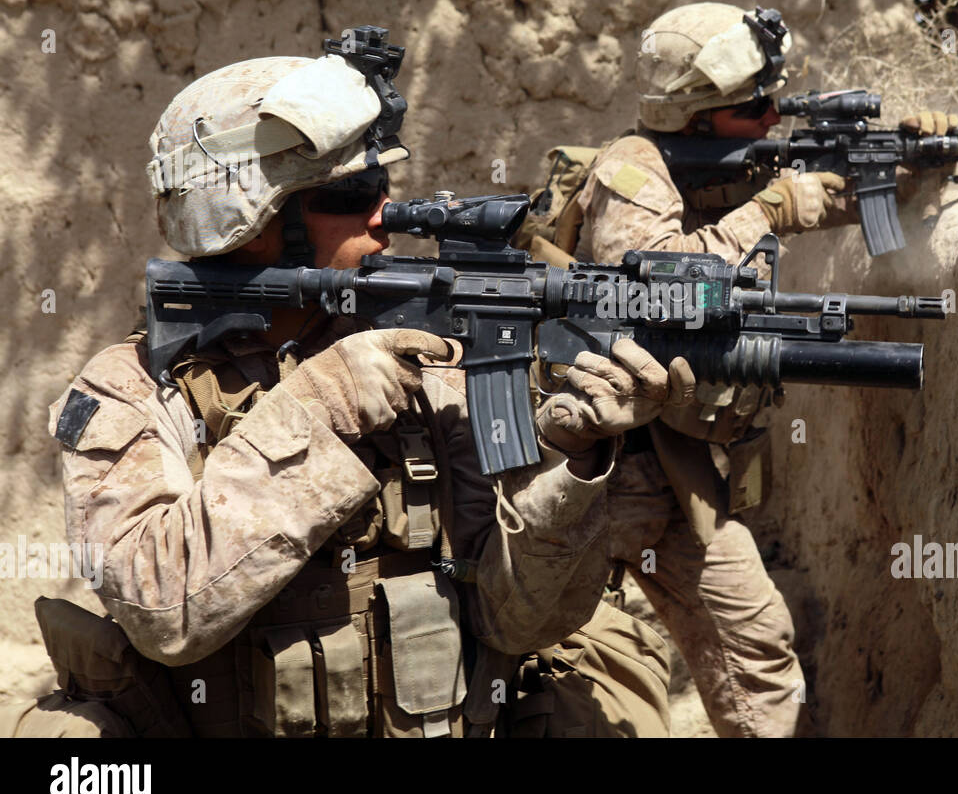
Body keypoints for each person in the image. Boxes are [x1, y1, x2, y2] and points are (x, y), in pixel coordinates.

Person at [13, 45, 691, 738]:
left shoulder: (422, 361)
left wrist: (572, 468)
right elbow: (163, 609)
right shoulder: (136, 386)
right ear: (251, 220)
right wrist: (321, 406)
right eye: (351, 196)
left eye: (381, 187)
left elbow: (517, 621)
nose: (384, 214)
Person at [566, 2, 958, 737]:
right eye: (756, 107)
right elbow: (662, 287)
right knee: (580, 679)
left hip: (673, 472)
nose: (776, 115)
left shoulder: (737, 167)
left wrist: (911, 161)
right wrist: (771, 211)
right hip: (588, 469)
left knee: (756, 647)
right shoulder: (631, 172)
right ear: (700, 118)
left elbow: (831, 197)